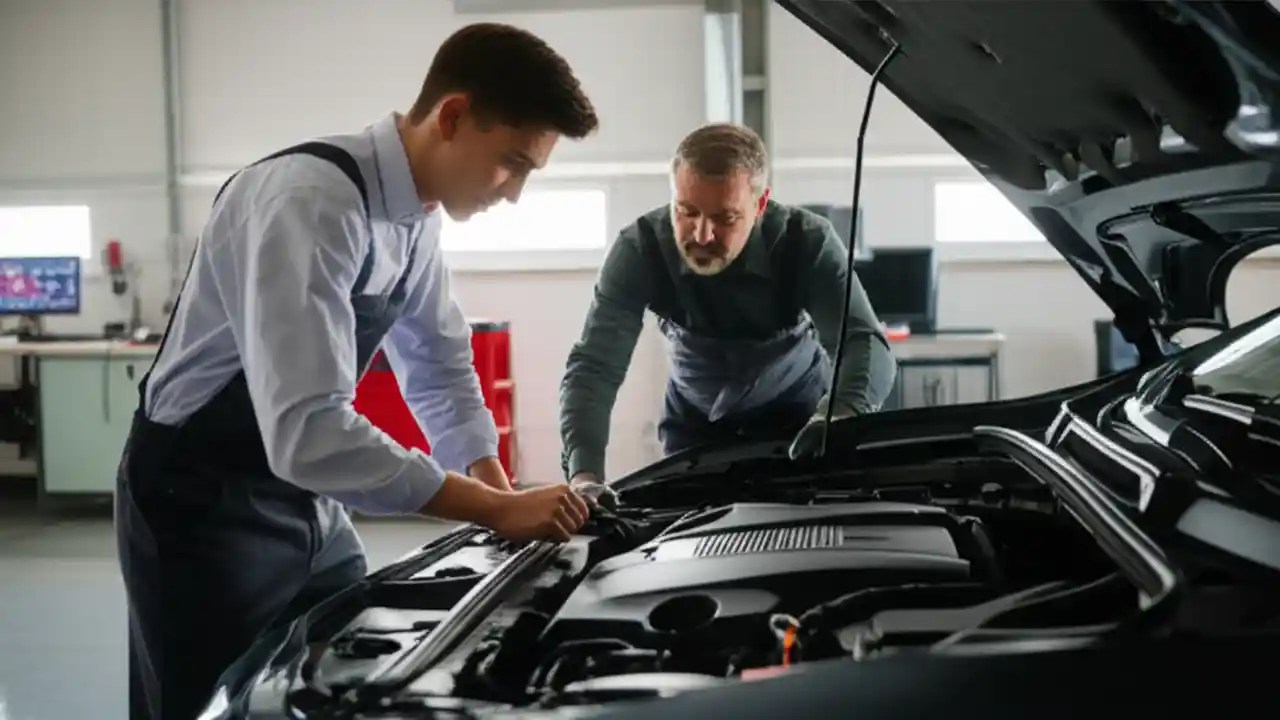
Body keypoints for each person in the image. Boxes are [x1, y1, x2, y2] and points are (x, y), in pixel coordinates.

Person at [115, 23, 597, 720]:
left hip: (309, 502)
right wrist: (493, 508)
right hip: (201, 501)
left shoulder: (416, 216)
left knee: (339, 679)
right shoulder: (309, 202)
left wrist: (499, 492)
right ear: (453, 116)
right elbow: (309, 432)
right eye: (512, 163)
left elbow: (438, 362)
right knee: (207, 705)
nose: (514, 193)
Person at [558, 122, 896, 491]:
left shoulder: (807, 242)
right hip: (692, 428)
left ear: (760, 204)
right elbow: (595, 366)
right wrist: (584, 475)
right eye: (686, 211)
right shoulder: (640, 249)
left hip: (800, 424)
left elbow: (863, 342)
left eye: (724, 218)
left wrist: (840, 415)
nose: (702, 235)